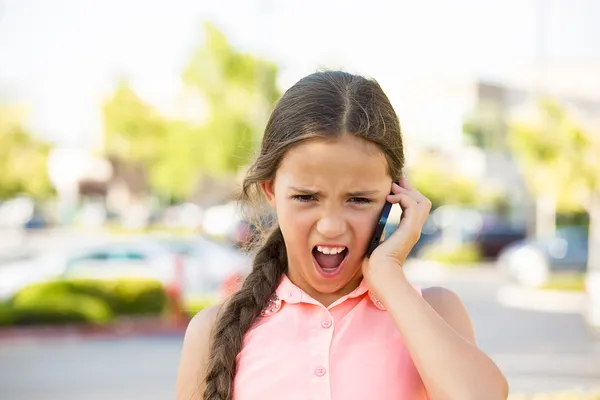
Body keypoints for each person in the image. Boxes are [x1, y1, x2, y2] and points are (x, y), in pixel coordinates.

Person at [176, 71, 509, 400]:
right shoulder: (212, 332)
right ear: (271, 192)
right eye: (306, 197)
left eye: (359, 199)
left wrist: (389, 277)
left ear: (396, 196)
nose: (331, 226)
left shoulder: (434, 310)